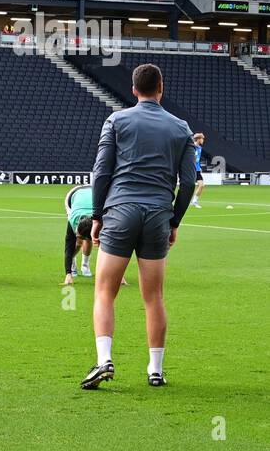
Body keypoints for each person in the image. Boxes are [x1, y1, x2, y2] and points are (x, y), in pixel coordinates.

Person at [80, 64, 196, 390]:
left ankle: (104, 360)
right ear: (161, 87)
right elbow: (188, 183)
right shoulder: (181, 128)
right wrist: (174, 220)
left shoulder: (116, 120)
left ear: (134, 90)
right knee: (154, 296)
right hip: (158, 214)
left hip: (120, 210)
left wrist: (98, 215)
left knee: (105, 292)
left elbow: (101, 173)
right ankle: (155, 370)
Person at [63, 184, 95, 286]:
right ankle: (72, 265)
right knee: (78, 241)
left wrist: (120, 275)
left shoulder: (103, 220)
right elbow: (68, 246)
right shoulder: (73, 220)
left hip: (95, 194)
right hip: (73, 195)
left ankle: (85, 265)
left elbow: (112, 247)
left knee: (89, 240)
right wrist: (68, 274)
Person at [192, 132, 206, 208]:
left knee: (201, 185)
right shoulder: (191, 147)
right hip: (190, 169)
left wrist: (199, 167)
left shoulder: (200, 148)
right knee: (187, 186)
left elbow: (197, 159)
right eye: (202, 139)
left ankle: (194, 201)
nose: (203, 140)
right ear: (198, 139)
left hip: (197, 169)